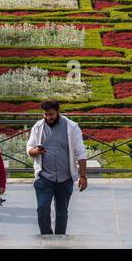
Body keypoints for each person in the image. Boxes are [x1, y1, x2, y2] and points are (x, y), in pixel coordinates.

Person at [26, 100, 88, 235]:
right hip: (44, 177)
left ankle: (60, 239)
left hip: (65, 179)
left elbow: (80, 152)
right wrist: (36, 151)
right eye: (45, 115)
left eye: (51, 114)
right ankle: (46, 237)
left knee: (61, 212)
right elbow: (29, 148)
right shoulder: (38, 127)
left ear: (58, 112)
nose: (48, 118)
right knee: (42, 209)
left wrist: (83, 176)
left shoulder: (72, 127)